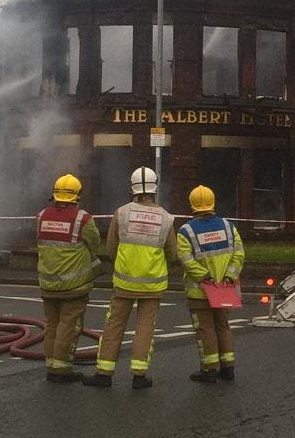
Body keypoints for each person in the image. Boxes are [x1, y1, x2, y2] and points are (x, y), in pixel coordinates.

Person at [83, 167, 175, 390]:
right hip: (153, 284)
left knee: (114, 325)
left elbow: (111, 247)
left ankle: (104, 373)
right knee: (145, 328)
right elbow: (172, 252)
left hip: (124, 282)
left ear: (132, 187)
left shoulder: (121, 213)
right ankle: (139, 376)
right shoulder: (165, 217)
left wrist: (122, 263)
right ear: (155, 188)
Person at [36, 173, 101, 383]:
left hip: (48, 283)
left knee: (52, 324)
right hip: (74, 286)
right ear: (77, 195)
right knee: (68, 326)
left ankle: (51, 364)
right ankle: (61, 369)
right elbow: (95, 243)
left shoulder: (42, 216)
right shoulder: (83, 219)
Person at [177, 185, 244, 383]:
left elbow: (186, 260)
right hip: (225, 290)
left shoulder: (185, 231)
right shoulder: (228, 226)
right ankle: (228, 368)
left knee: (205, 329)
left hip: (200, 292)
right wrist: (229, 277)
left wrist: (205, 278)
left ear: (192, 204)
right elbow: (239, 254)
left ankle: (209, 370)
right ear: (213, 202)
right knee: (223, 326)